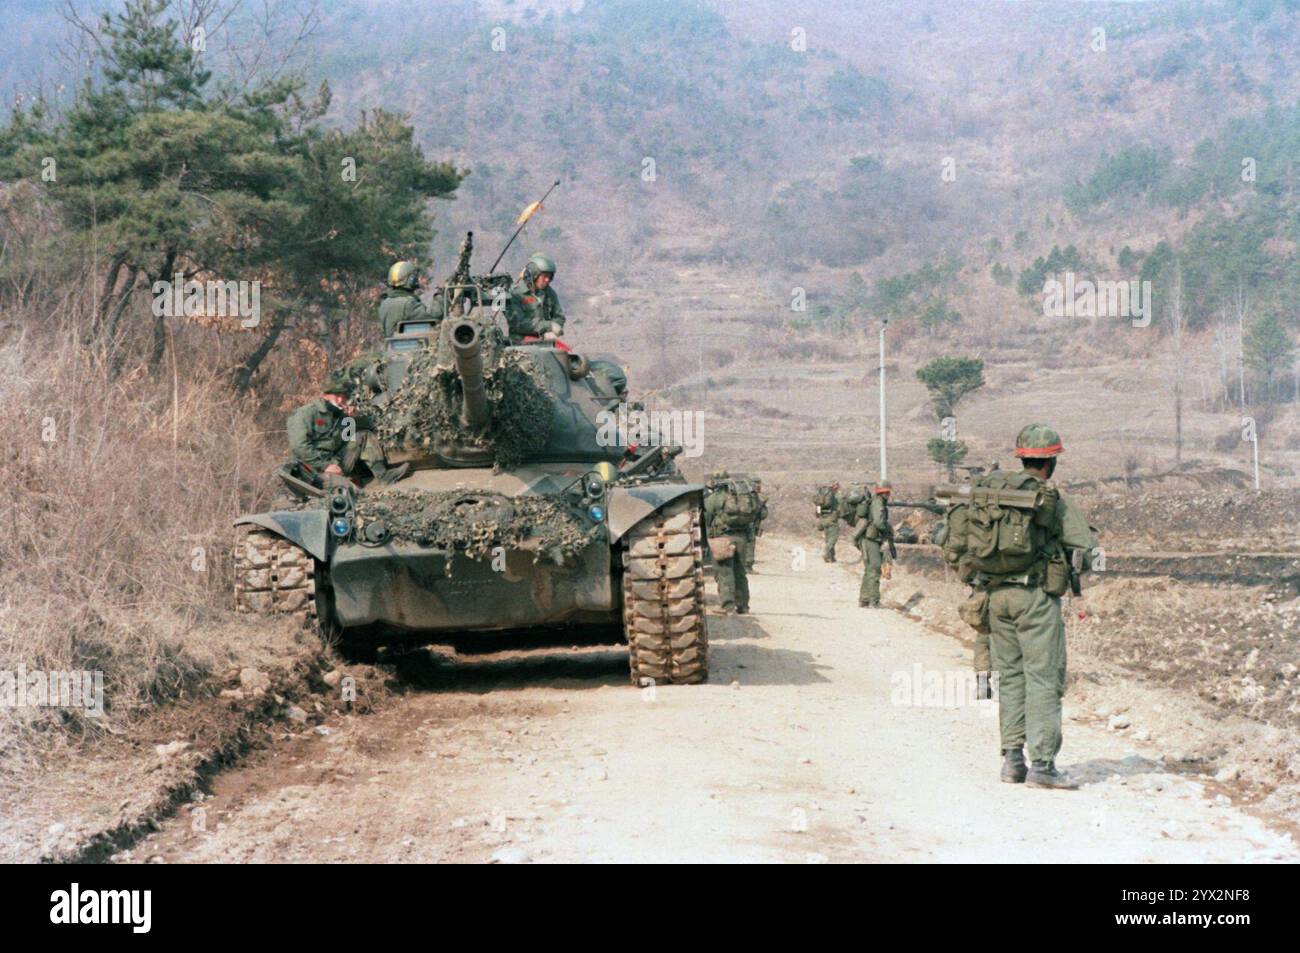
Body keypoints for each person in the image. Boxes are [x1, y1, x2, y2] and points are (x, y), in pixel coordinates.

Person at [943, 424, 1098, 789]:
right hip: (1035, 599)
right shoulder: (1049, 499)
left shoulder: (993, 496)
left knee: (1010, 678)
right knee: (1043, 678)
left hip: (997, 599)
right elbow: (1085, 550)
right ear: (1051, 462)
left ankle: (1013, 761)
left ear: (1021, 457)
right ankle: (1043, 765)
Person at [286, 367, 404, 486]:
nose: (341, 400)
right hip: (314, 469)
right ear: (326, 395)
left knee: (363, 436)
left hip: (335, 463)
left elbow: (348, 438)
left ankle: (384, 476)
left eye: (345, 397)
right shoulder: (306, 413)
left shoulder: (341, 415)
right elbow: (299, 446)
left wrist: (354, 418)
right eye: (338, 395)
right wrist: (325, 465)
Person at [703, 470, 750, 615]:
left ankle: (727, 606)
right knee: (740, 572)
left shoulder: (714, 498)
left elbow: (706, 519)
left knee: (724, 572)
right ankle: (743, 606)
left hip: (722, 539)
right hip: (741, 538)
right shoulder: (739, 497)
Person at [506, 253, 566, 344]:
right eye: (544, 276)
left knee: (566, 355)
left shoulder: (549, 293)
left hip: (546, 341)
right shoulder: (516, 294)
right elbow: (518, 324)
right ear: (534, 275)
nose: (547, 280)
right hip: (521, 343)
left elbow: (559, 316)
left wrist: (553, 329)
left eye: (549, 277)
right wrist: (548, 326)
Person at [852, 480, 893, 607]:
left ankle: (864, 599)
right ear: (885, 492)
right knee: (875, 569)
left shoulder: (876, 501)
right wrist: (888, 529)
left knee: (869, 569)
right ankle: (874, 600)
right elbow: (879, 522)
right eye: (887, 492)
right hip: (871, 540)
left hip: (869, 539)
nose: (888, 495)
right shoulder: (878, 503)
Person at [378, 260, 433, 338]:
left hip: (392, 348)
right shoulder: (410, 304)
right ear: (410, 280)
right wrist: (439, 298)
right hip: (412, 346)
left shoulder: (384, 303)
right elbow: (433, 320)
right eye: (414, 276)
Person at [815, 482, 841, 562]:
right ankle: (826, 553)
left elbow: (818, 507)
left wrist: (819, 517)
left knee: (828, 539)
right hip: (832, 520)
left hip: (823, 519)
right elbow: (840, 507)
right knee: (833, 538)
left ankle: (831, 557)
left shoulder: (823, 495)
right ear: (836, 487)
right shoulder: (835, 496)